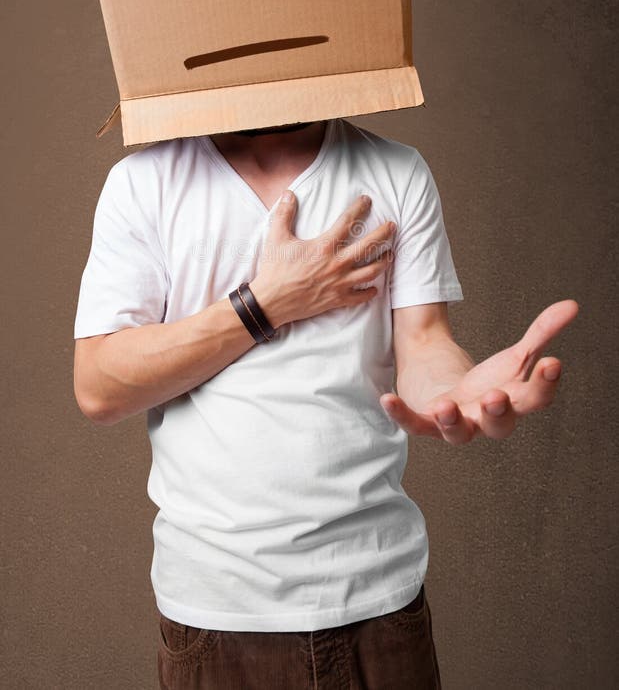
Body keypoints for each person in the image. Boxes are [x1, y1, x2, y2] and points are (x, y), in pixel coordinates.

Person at [73, 117, 578, 689]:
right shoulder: (145, 181)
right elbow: (99, 385)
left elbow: (424, 343)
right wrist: (265, 303)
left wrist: (453, 393)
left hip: (378, 599)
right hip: (216, 610)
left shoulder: (396, 170)